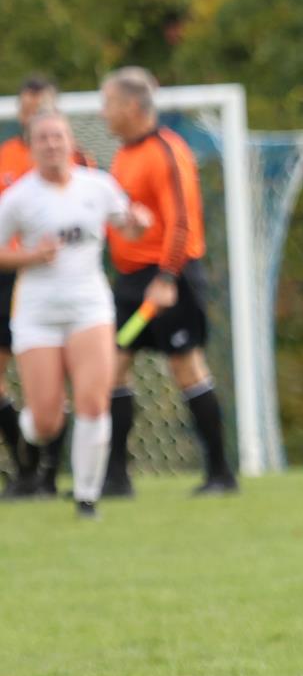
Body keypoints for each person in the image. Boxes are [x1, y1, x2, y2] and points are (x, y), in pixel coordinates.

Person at [0, 111, 151, 519]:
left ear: (72, 142)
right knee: (47, 420)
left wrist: (139, 222)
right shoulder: (18, 198)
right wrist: (32, 255)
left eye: (58, 137)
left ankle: (87, 498)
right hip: (38, 312)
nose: (52, 145)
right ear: (30, 147)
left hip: (89, 306)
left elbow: (131, 227)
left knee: (92, 402)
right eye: (43, 139)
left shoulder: (97, 186)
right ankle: (31, 431)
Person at [100, 66, 236, 497]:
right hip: (129, 281)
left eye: (110, 104)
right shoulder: (123, 155)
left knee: (186, 365)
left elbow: (182, 221)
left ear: (134, 107)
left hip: (168, 277)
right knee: (114, 367)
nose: (104, 113)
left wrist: (166, 276)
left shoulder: (167, 151)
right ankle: (116, 477)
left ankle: (220, 473)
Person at [1, 75, 93, 498]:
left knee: (65, 383)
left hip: (62, 286)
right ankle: (24, 467)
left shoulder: (81, 167)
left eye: (44, 108)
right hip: (9, 278)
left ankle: (51, 475)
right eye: (28, 108)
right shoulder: (5, 159)